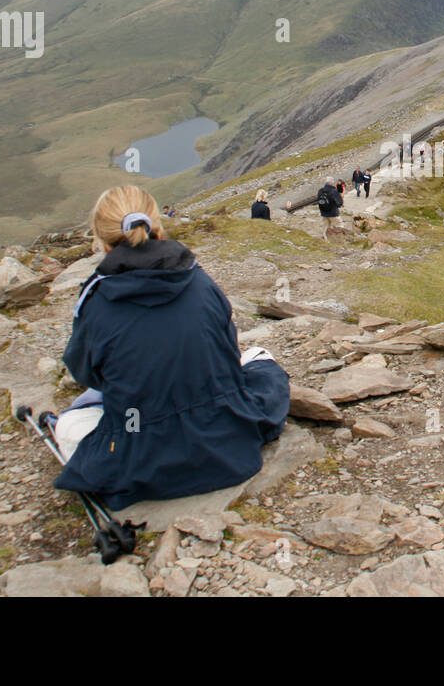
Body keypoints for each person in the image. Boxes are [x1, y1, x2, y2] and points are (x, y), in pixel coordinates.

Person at [51, 185, 290, 510]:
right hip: (227, 441)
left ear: (102, 239)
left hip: (141, 454)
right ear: (157, 226)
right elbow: (228, 352)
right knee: (260, 359)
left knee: (69, 425)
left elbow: (86, 374)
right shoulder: (200, 281)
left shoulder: (95, 300)